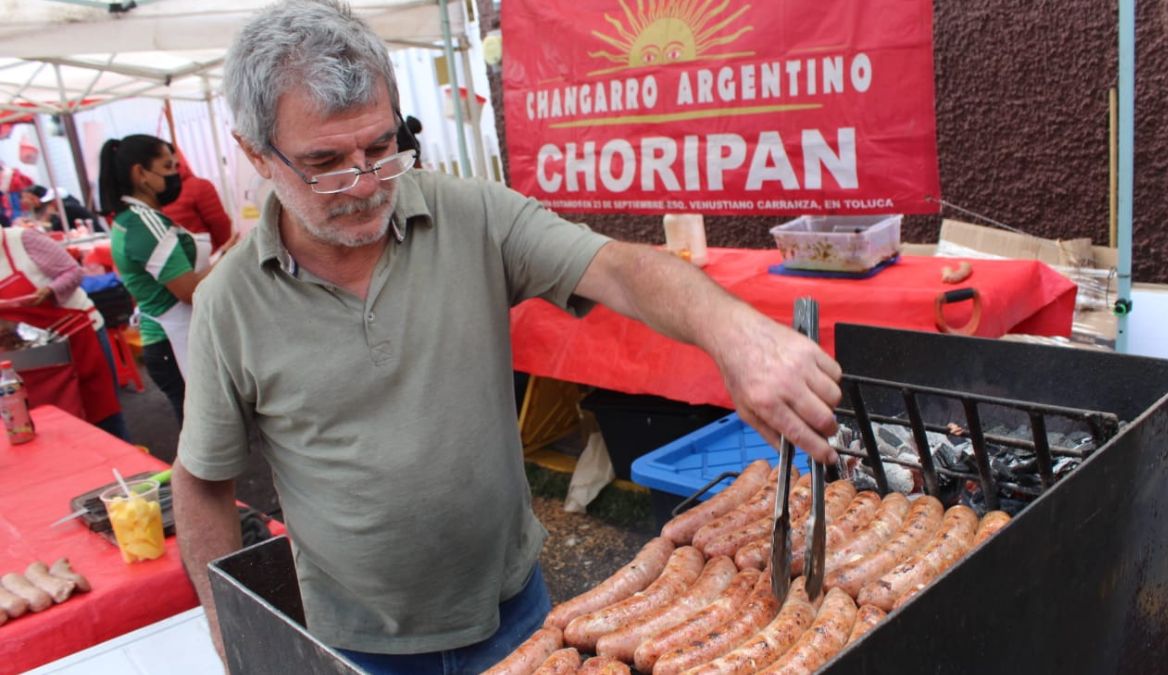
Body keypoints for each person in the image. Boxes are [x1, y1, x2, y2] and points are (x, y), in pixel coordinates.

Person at [172, 1, 842, 673]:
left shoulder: (469, 214)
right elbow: (202, 481)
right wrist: (228, 631)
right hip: (359, 642)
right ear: (256, 153)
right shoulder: (231, 301)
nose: (369, 183)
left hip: (514, 611)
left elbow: (622, 269)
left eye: (381, 147)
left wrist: (734, 331)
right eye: (327, 163)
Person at [97, 135, 239, 423]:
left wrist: (223, 251)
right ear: (140, 174)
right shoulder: (143, 224)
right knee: (206, 439)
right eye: (167, 166)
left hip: (170, 340)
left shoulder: (133, 219)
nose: (175, 174)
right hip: (171, 343)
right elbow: (189, 290)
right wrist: (234, 255)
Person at [0, 225, 130, 440]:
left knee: (103, 414)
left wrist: (51, 290)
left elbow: (72, 271)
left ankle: (129, 468)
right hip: (29, 353)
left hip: (78, 334)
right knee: (54, 426)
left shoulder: (22, 239)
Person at [162, 153, 234, 250]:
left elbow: (220, 226)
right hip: (210, 257)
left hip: (207, 257)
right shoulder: (199, 186)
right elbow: (221, 227)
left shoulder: (197, 187)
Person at [19, 185, 101, 232]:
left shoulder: (69, 208)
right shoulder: (65, 208)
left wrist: (47, 217)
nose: (50, 204)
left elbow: (56, 227)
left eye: (51, 201)